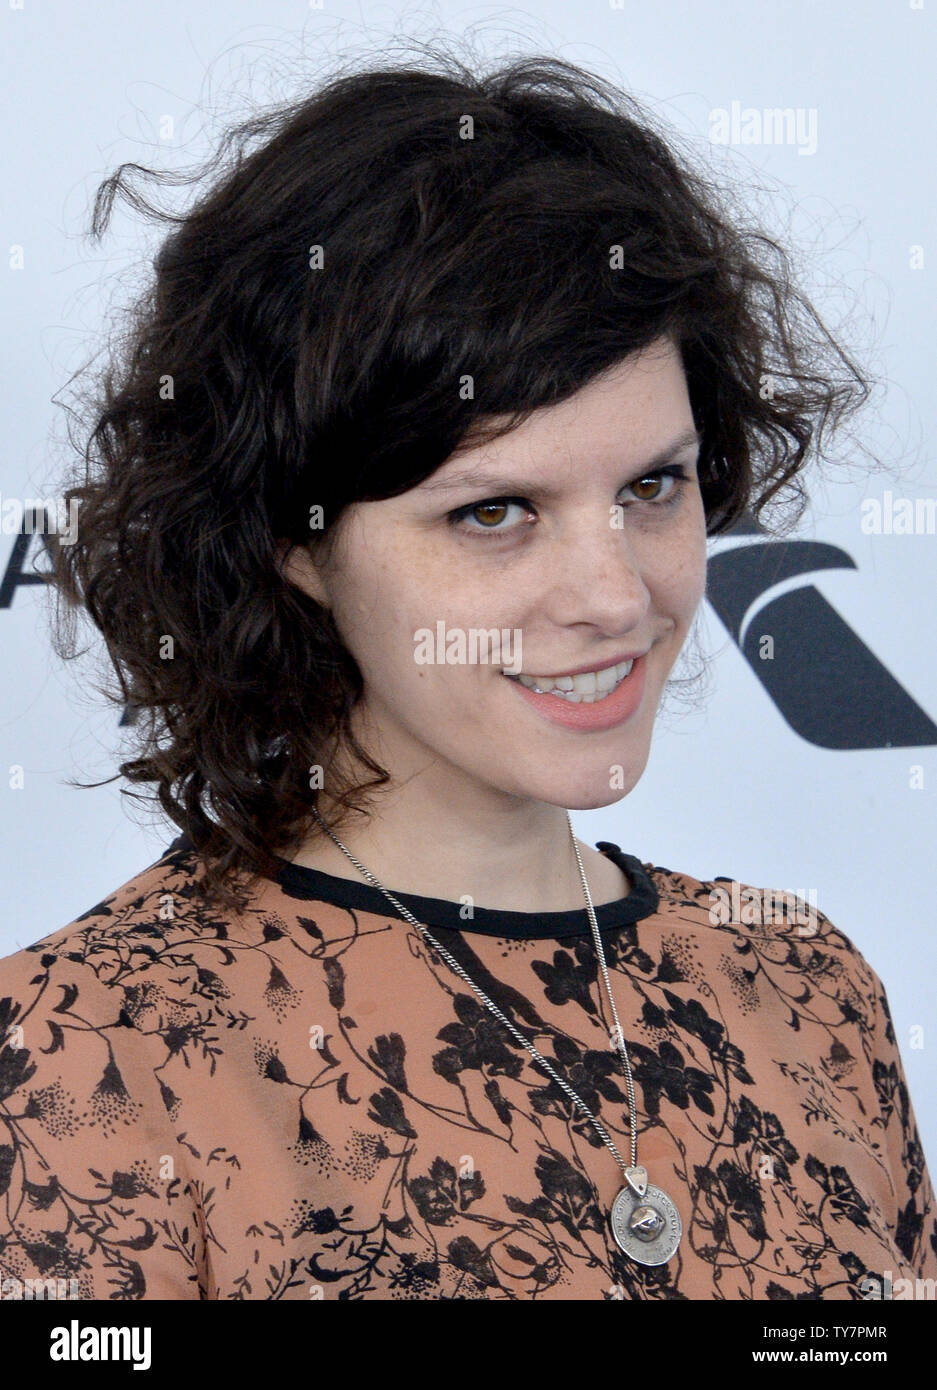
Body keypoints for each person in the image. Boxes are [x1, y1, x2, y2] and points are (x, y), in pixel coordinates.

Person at [1, 50, 932, 1301]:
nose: (615, 594)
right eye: (495, 512)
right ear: (296, 539)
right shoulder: (86, 1058)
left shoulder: (806, 987)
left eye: (652, 487)